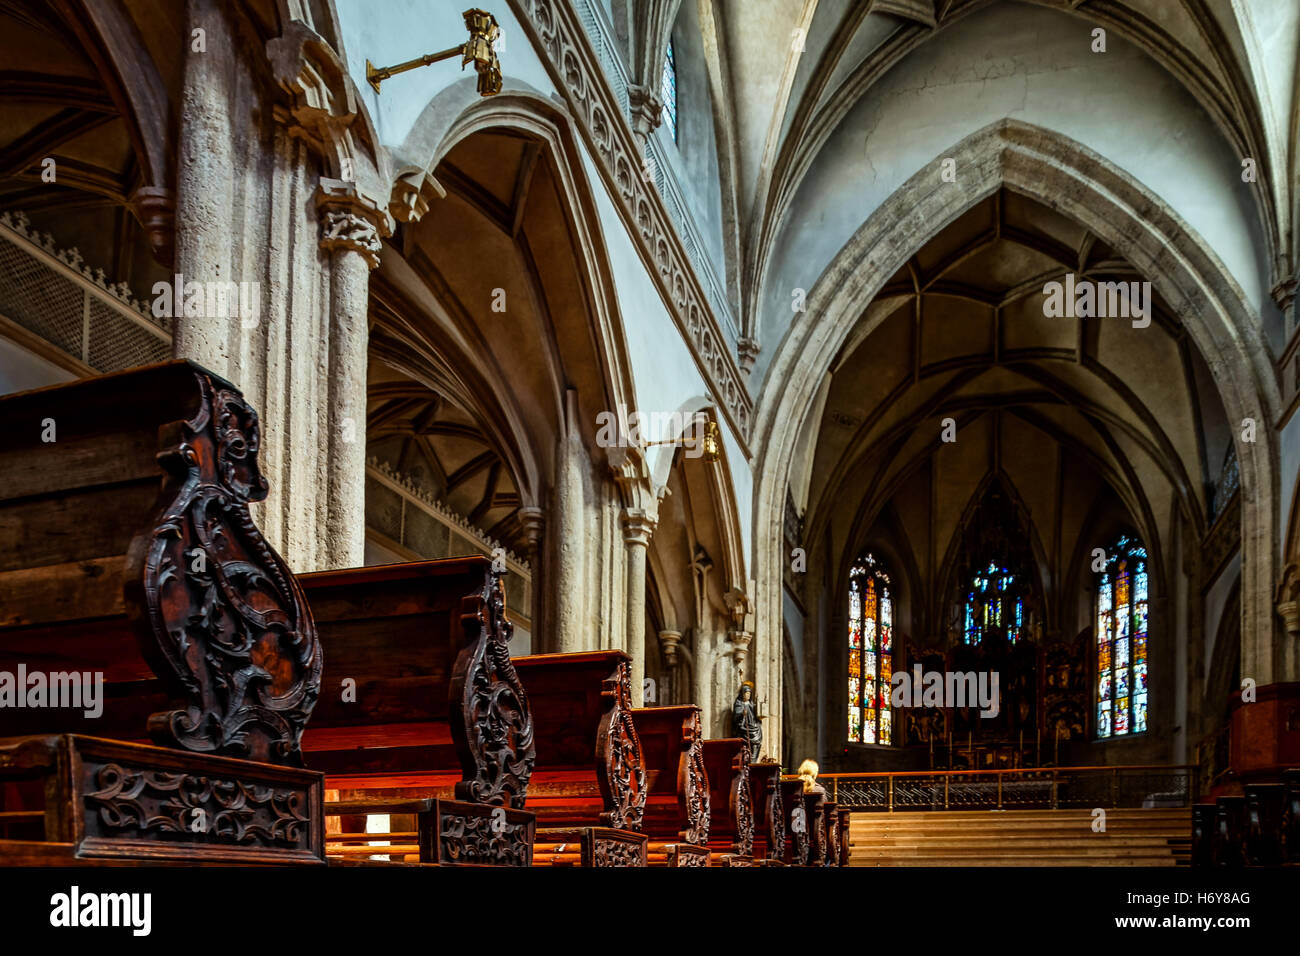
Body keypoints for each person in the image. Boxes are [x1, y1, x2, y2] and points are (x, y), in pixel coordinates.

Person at [731, 682, 763, 761]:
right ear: (742, 694)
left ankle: (754, 759)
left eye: (749, 693)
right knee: (747, 745)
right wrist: (742, 714)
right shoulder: (739, 703)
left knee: (756, 742)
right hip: (745, 728)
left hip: (753, 726)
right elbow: (736, 717)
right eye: (746, 693)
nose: (748, 695)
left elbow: (756, 714)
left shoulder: (751, 703)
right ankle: (748, 760)